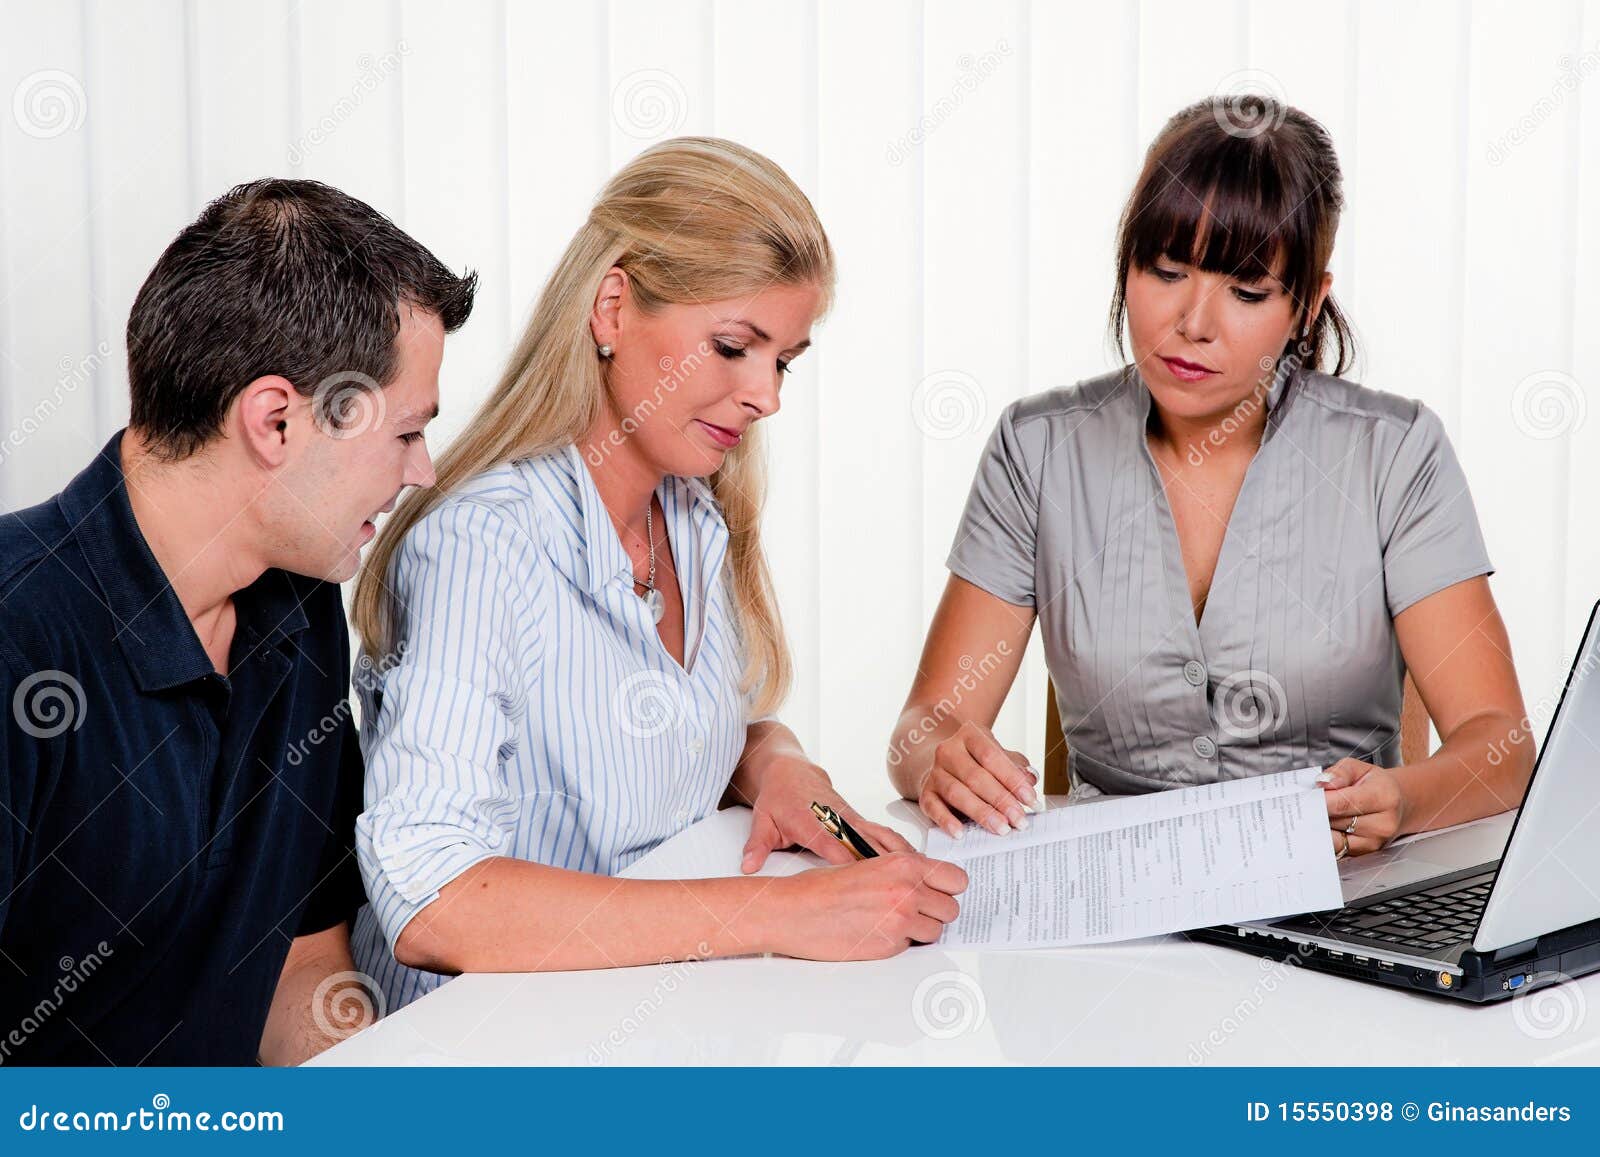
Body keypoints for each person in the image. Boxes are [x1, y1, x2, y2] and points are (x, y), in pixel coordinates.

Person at [350, 136, 966, 1011]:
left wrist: (775, 764)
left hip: (649, 1027)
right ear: (611, 309)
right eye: (732, 346)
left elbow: (675, 736)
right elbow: (435, 898)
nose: (769, 397)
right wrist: (776, 912)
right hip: (488, 1054)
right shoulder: (482, 546)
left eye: (782, 360)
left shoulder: (693, 517)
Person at [889, 96, 1534, 858]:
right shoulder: (1038, 450)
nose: (1193, 323)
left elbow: (1502, 747)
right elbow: (926, 722)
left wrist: (1404, 797)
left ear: (1307, 306)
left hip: (1335, 898)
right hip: (1109, 900)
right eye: (1166, 270)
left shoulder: (1394, 454)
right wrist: (942, 759)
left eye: (1247, 291)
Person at [0, 178, 474, 1064]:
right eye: (406, 432)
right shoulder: (18, 638)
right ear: (277, 421)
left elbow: (300, 968)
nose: (424, 473)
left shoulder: (301, 612)